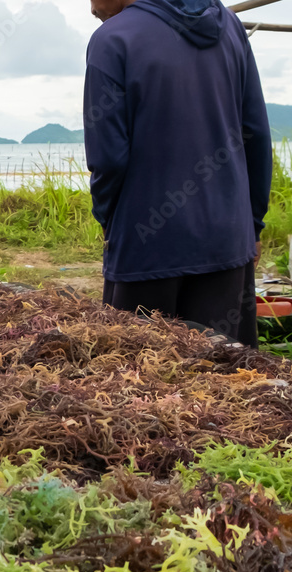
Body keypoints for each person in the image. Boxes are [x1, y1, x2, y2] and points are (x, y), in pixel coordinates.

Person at [84, 0, 272, 347]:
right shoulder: (231, 28)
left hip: (146, 245)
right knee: (228, 384)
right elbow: (255, 133)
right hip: (228, 240)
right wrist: (253, 224)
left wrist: (110, 222)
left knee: (139, 381)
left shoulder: (111, 39)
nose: (90, 5)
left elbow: (108, 156)